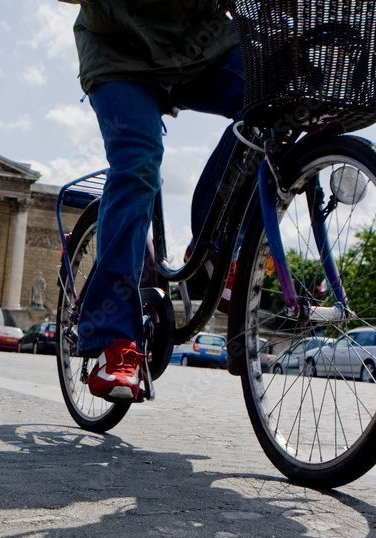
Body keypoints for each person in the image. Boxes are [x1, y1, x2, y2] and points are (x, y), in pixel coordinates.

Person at [61, 0, 243, 402]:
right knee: (138, 164)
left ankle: (218, 248)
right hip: (118, 53)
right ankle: (114, 338)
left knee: (275, 105)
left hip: (199, 45)